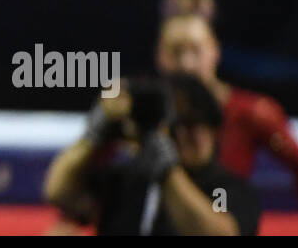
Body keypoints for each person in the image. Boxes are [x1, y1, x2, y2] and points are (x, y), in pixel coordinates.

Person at [155, 0, 298, 231]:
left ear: (214, 50)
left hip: (227, 223)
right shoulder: (145, 109)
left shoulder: (251, 111)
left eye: (195, 50)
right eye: (176, 51)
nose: (186, 63)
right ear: (160, 55)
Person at [43, 73, 261, 236]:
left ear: (214, 130)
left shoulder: (226, 188)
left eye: (193, 124)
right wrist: (96, 132)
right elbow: (59, 191)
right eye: (176, 126)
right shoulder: (130, 181)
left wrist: (167, 167)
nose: (183, 136)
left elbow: (221, 234)